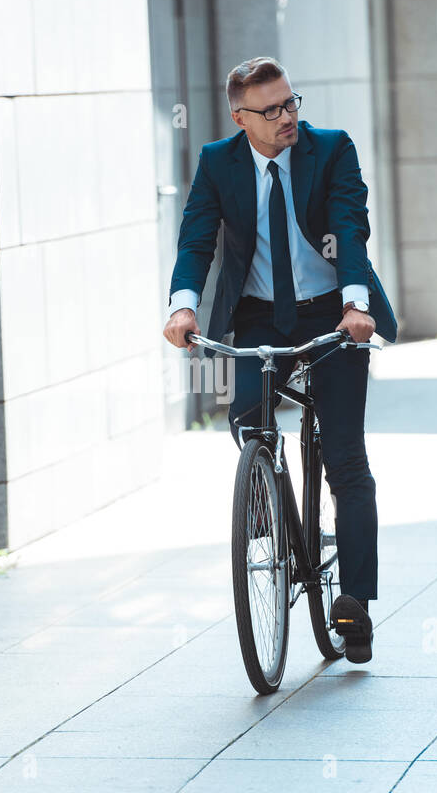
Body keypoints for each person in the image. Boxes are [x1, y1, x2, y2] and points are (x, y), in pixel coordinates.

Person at [163, 56, 398, 663]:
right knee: (247, 424)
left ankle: (354, 601)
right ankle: (269, 498)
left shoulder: (331, 148)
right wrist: (183, 307)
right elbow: (196, 238)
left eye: (292, 103)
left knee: (345, 454)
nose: (288, 117)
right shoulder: (218, 163)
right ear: (241, 118)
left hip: (333, 313)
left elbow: (350, 229)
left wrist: (356, 303)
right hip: (258, 315)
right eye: (272, 111)